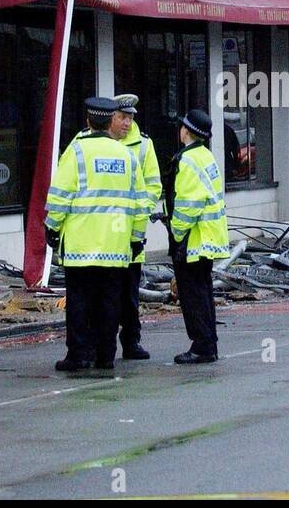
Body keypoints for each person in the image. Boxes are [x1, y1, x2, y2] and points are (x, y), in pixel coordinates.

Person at [45, 97, 149, 373]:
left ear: (89, 122)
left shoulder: (76, 152)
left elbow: (59, 196)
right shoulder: (127, 156)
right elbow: (141, 203)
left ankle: (79, 356)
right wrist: (136, 238)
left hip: (81, 247)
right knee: (109, 303)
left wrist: (52, 229)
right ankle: (105, 356)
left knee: (79, 304)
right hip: (116, 248)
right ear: (110, 121)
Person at [165, 109, 230, 364]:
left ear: (187, 131)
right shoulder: (205, 156)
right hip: (207, 239)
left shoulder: (187, 160)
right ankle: (208, 342)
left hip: (192, 241)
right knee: (203, 293)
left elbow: (188, 203)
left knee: (193, 296)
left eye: (182, 126)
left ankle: (202, 345)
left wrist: (176, 232)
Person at [110, 92, 162, 361]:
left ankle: (131, 341)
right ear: (111, 117)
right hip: (104, 238)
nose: (127, 123)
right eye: (122, 117)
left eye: (130, 118)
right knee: (106, 295)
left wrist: (137, 219)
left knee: (129, 297)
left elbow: (153, 186)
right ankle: (102, 344)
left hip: (131, 236)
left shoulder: (143, 146)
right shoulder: (96, 142)